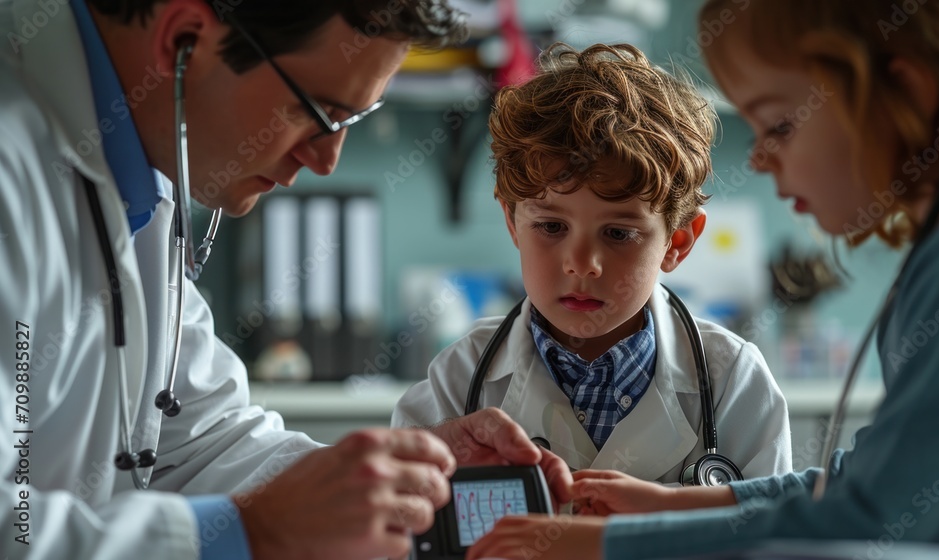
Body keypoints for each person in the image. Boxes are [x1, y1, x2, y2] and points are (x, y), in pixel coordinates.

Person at [0, 1, 571, 559]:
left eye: (351, 120)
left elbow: (200, 441)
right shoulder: (16, 163)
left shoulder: (146, 160)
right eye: (318, 112)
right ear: (183, 41)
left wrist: (369, 484)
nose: (326, 160)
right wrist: (251, 534)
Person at [466, 0, 939, 558]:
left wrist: (607, 544)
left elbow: (874, 516)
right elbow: (857, 483)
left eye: (781, 125)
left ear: (906, 94)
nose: (762, 158)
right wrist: (670, 505)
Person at [392, 43, 791, 487]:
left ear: (676, 243)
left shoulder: (733, 380)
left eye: (618, 234)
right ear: (513, 222)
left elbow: (772, 540)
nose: (582, 264)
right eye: (550, 227)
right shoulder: (460, 377)